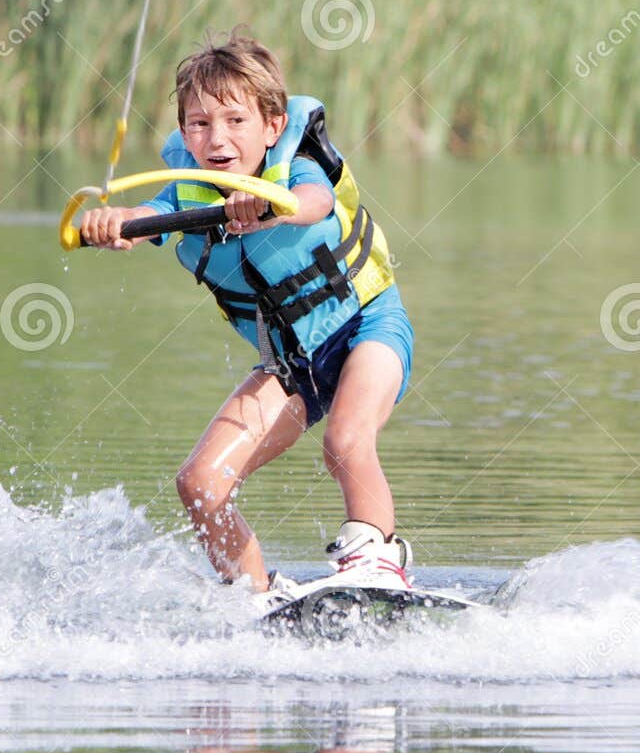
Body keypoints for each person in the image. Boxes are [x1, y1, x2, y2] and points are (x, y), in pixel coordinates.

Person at [79, 29, 415, 603]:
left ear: (273, 127)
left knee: (345, 441)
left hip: (367, 329)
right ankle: (253, 597)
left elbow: (316, 203)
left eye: (236, 121)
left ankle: (379, 564)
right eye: (199, 123)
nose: (217, 139)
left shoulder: (298, 166)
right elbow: (149, 213)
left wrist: (270, 209)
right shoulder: (186, 191)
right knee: (200, 484)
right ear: (184, 131)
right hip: (291, 367)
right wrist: (115, 222)